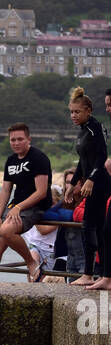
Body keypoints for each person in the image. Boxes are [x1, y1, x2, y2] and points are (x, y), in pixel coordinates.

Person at [0, 125, 52, 282]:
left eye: (20, 139)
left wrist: (19, 207)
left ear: (28, 139)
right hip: (15, 206)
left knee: (7, 231)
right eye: (13, 140)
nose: (16, 143)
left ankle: (31, 263)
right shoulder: (10, 161)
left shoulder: (38, 158)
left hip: (35, 207)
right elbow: (5, 191)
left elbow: (41, 192)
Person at [64, 87, 111, 289]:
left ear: (88, 111)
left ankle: (89, 273)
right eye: (71, 112)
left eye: (77, 112)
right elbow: (83, 162)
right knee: (96, 228)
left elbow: (101, 156)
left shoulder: (95, 128)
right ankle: (97, 273)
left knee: (92, 227)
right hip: (90, 184)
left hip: (99, 184)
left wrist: (90, 179)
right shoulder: (83, 131)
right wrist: (72, 184)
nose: (73, 115)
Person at [22, 186, 63, 281]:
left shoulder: (59, 215)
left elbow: (44, 230)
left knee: (45, 280)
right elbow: (40, 231)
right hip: (35, 244)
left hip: (51, 250)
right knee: (33, 264)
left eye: (52, 204)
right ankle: (31, 287)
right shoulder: (39, 213)